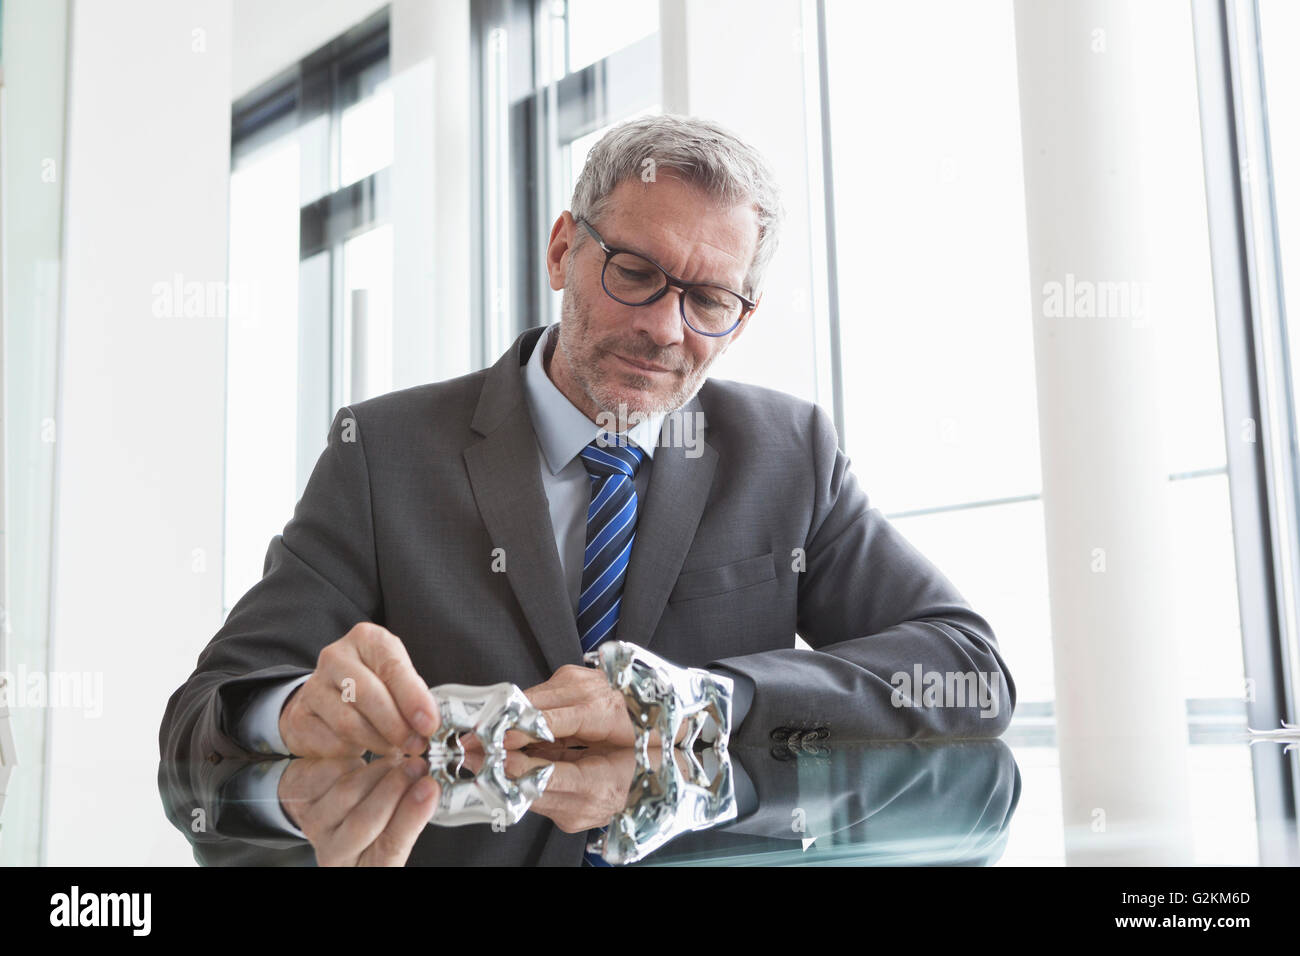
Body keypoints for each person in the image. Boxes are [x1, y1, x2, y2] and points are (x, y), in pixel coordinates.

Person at [159, 114, 1014, 774]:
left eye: (709, 301)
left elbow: (968, 668)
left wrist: (704, 701)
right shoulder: (382, 453)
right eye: (635, 273)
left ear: (740, 321)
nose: (662, 329)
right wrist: (293, 711)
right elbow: (205, 710)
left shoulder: (790, 454)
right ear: (563, 249)